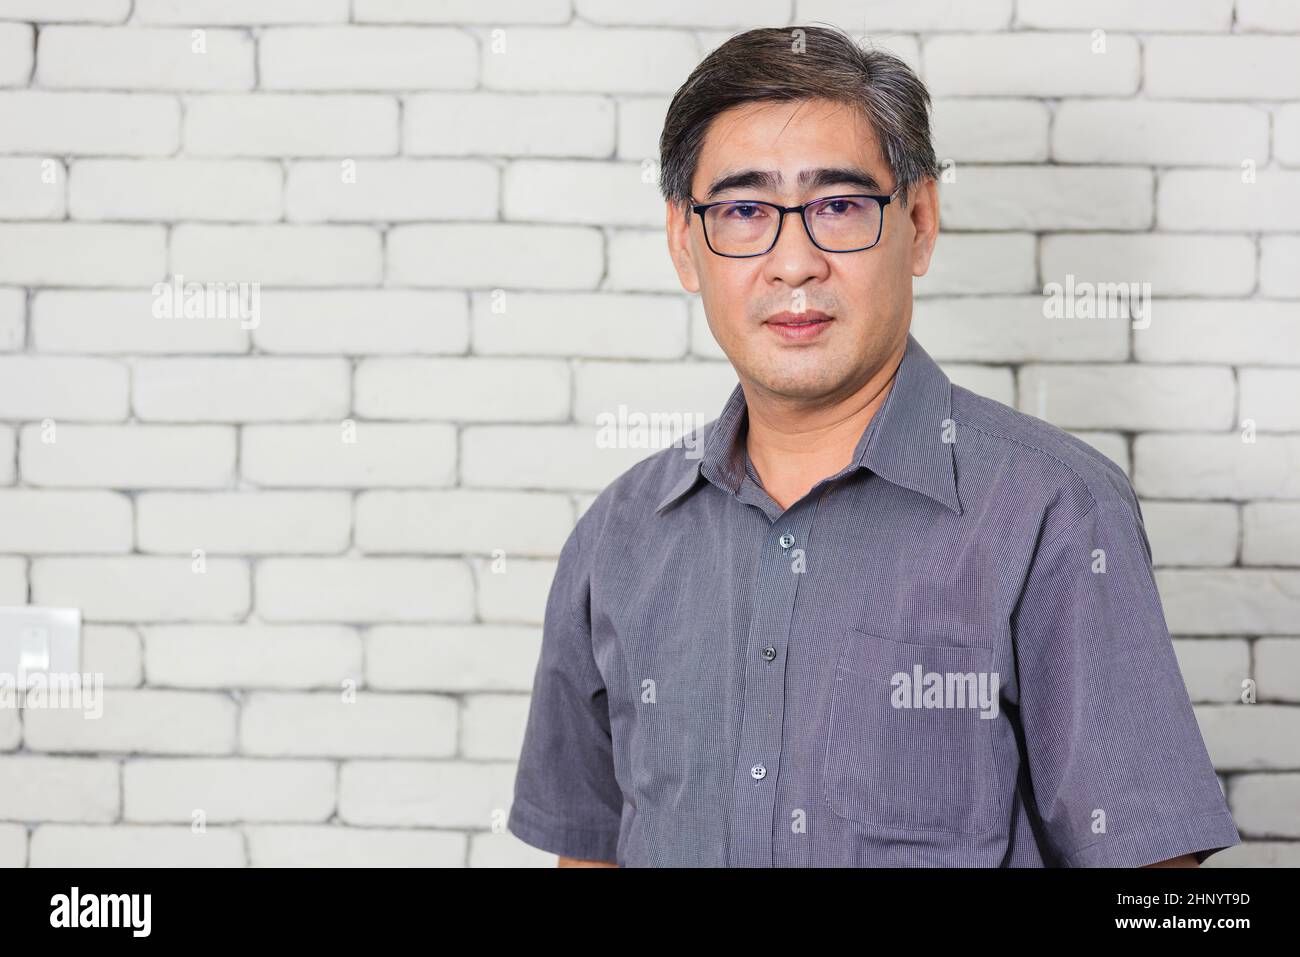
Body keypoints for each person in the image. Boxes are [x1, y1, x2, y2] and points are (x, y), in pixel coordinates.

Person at [506, 25, 1241, 868]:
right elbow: (589, 852)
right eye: (744, 211)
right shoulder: (618, 535)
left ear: (919, 222)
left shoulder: (1056, 516)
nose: (794, 263)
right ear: (685, 240)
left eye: (840, 206)